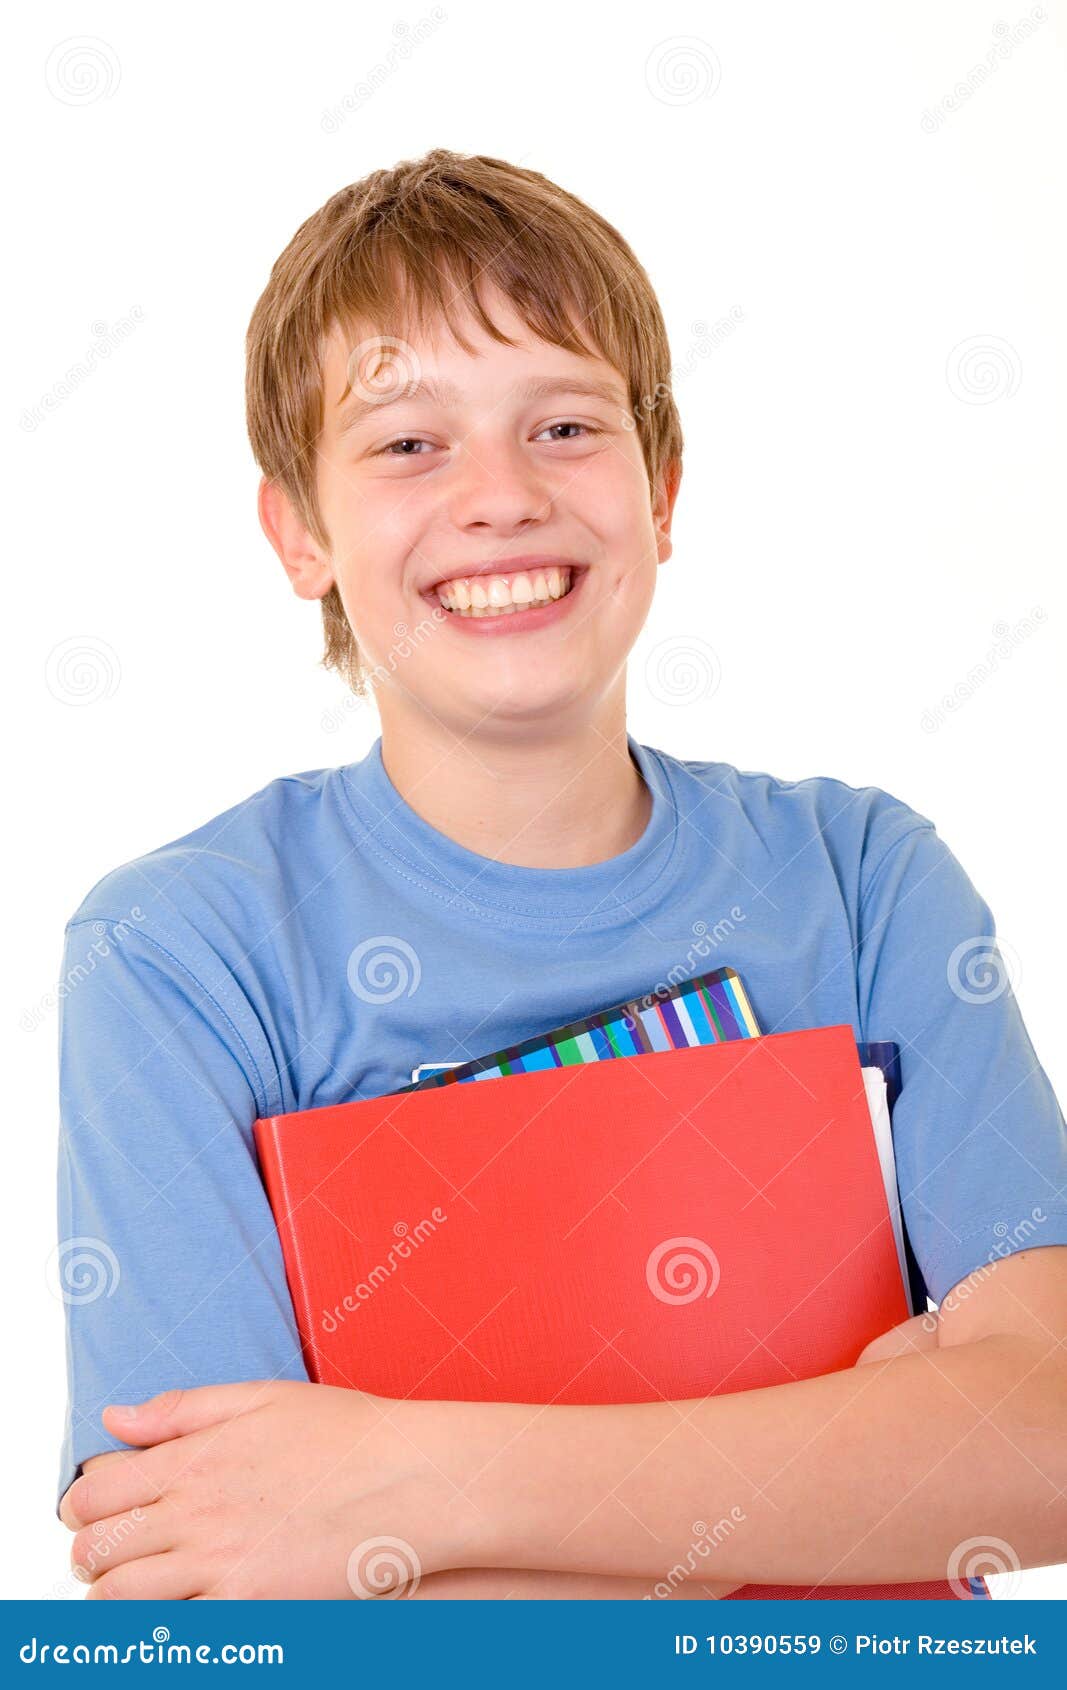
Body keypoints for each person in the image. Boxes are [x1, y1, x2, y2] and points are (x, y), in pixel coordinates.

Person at [56, 148, 1067, 1600]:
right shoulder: (177, 951)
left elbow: (1039, 1444)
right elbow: (221, 1576)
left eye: (568, 425)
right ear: (297, 532)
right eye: (407, 443)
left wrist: (403, 1483)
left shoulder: (865, 877)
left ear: (661, 490)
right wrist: (854, 1459)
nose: (502, 497)